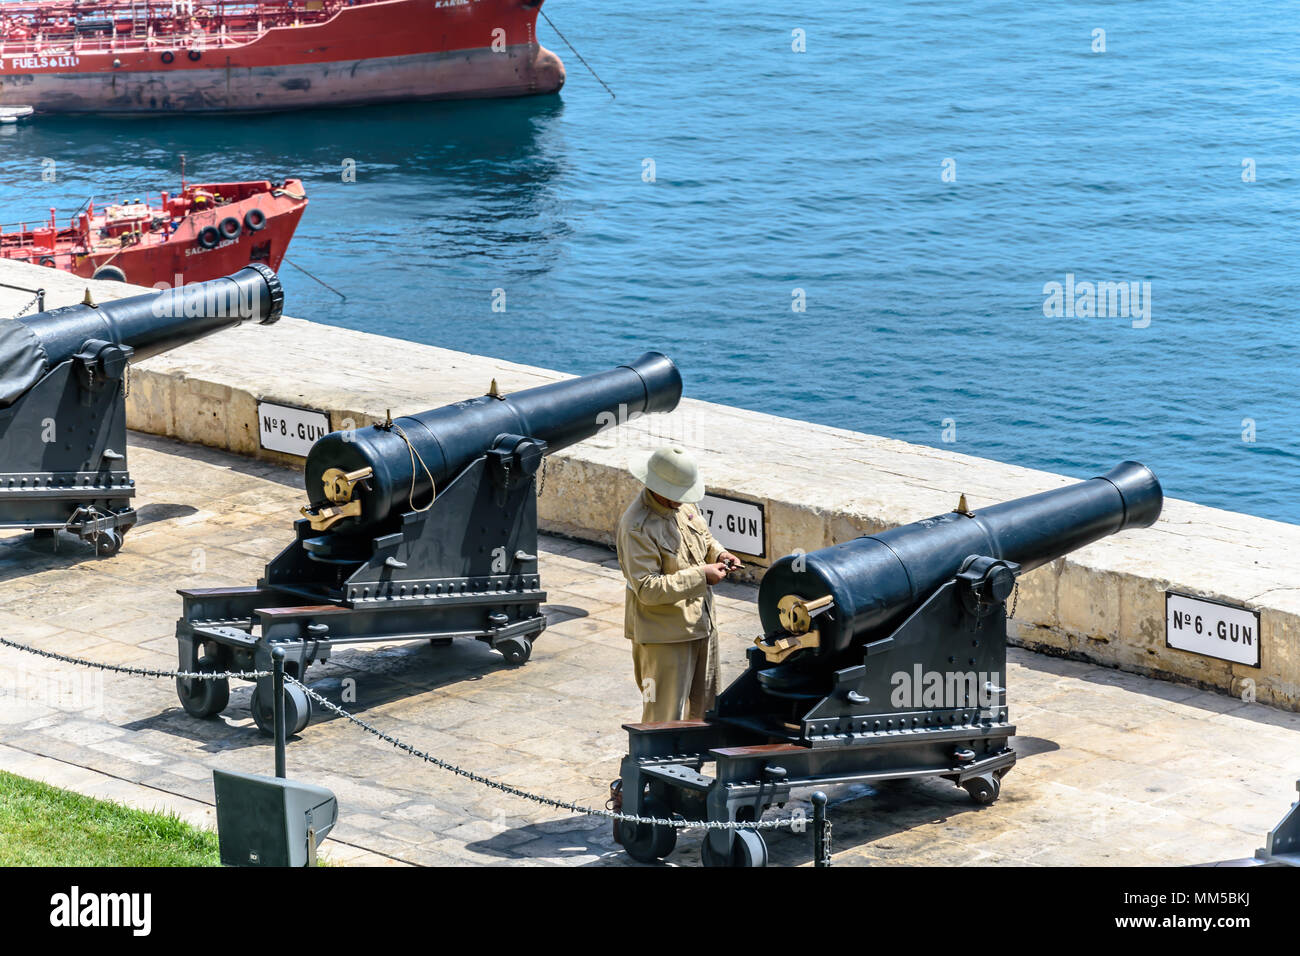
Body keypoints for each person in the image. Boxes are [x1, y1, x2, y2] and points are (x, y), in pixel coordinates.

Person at [616, 446, 743, 721]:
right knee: (661, 716)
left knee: (706, 711)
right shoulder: (637, 527)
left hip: (701, 625)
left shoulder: (683, 503)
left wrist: (720, 554)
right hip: (665, 637)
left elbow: (705, 539)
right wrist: (702, 576)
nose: (681, 500)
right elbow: (647, 588)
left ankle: (694, 763)